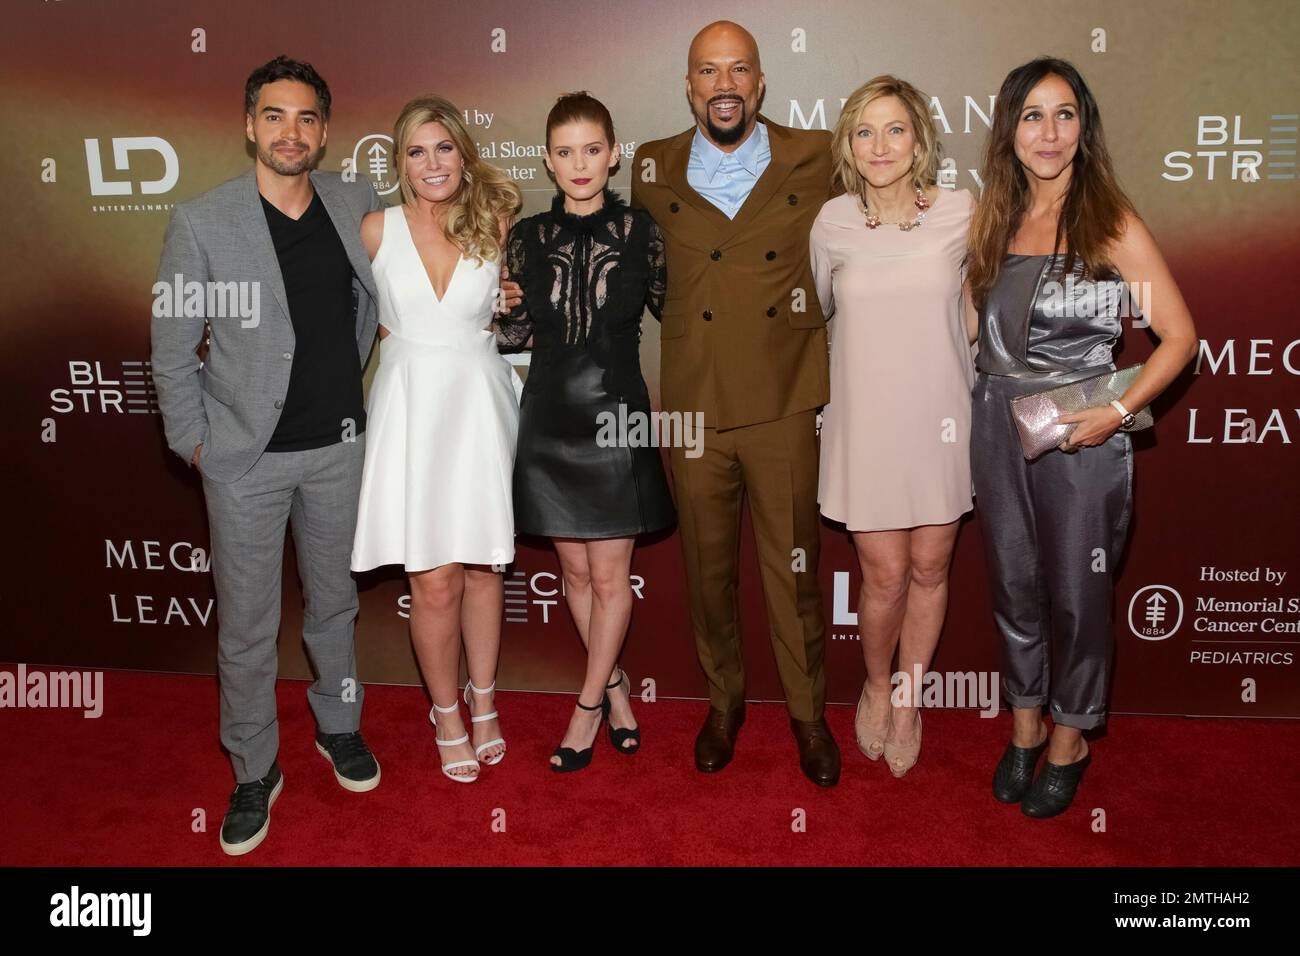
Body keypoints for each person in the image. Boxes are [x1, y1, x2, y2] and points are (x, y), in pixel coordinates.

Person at [151, 55, 383, 856]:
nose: (292, 132)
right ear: (250, 124)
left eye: (308, 118)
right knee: (248, 628)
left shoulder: (357, 203)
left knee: (336, 607)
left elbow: (403, 287)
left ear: (324, 130)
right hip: (243, 461)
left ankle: (339, 726)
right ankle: (253, 768)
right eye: (276, 116)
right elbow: (171, 349)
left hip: (338, 450)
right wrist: (195, 443)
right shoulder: (202, 220)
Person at [966, 57, 1198, 817]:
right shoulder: (994, 219)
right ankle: (1025, 722)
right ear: (1009, 129)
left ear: (1084, 129)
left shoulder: (1111, 222)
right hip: (998, 428)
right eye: (1032, 115)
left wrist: (1116, 413)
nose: (1049, 132)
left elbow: (1178, 337)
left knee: (1077, 594)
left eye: (1065, 115)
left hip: (1080, 438)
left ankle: (1071, 734)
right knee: (1014, 584)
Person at [631, 21, 840, 786]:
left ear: (760, 83)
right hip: (692, 403)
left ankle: (809, 716)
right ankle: (725, 704)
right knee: (705, 570)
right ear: (689, 86)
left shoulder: (817, 156)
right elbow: (642, 274)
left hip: (783, 397)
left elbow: (867, 229)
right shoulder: (650, 166)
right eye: (708, 71)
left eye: (739, 70)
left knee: (795, 571)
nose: (724, 84)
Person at [495, 92, 675, 772]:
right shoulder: (526, 238)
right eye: (565, 152)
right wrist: (503, 303)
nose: (580, 164)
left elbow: (681, 314)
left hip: (616, 415)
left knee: (609, 578)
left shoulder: (640, 231)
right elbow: (512, 337)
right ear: (548, 160)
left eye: (592, 149)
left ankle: (588, 707)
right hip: (547, 417)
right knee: (573, 570)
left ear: (614, 153)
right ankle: (618, 691)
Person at [351, 95, 522, 784]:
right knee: (434, 582)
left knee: (485, 570)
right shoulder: (372, 230)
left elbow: (516, 318)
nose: (432, 163)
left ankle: (484, 702)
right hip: (412, 410)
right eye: (416, 151)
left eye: (444, 148)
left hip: (482, 406)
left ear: (463, 152)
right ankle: (445, 711)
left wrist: (511, 300)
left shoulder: (499, 224)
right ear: (398, 163)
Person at [811, 75, 975, 778]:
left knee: (932, 569)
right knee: (883, 579)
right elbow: (814, 318)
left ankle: (910, 698)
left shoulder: (964, 211)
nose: (881, 145)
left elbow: (980, 308)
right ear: (850, 144)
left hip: (942, 417)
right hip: (865, 423)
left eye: (895, 129)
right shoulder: (831, 222)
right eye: (865, 131)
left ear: (920, 139)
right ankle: (877, 684)